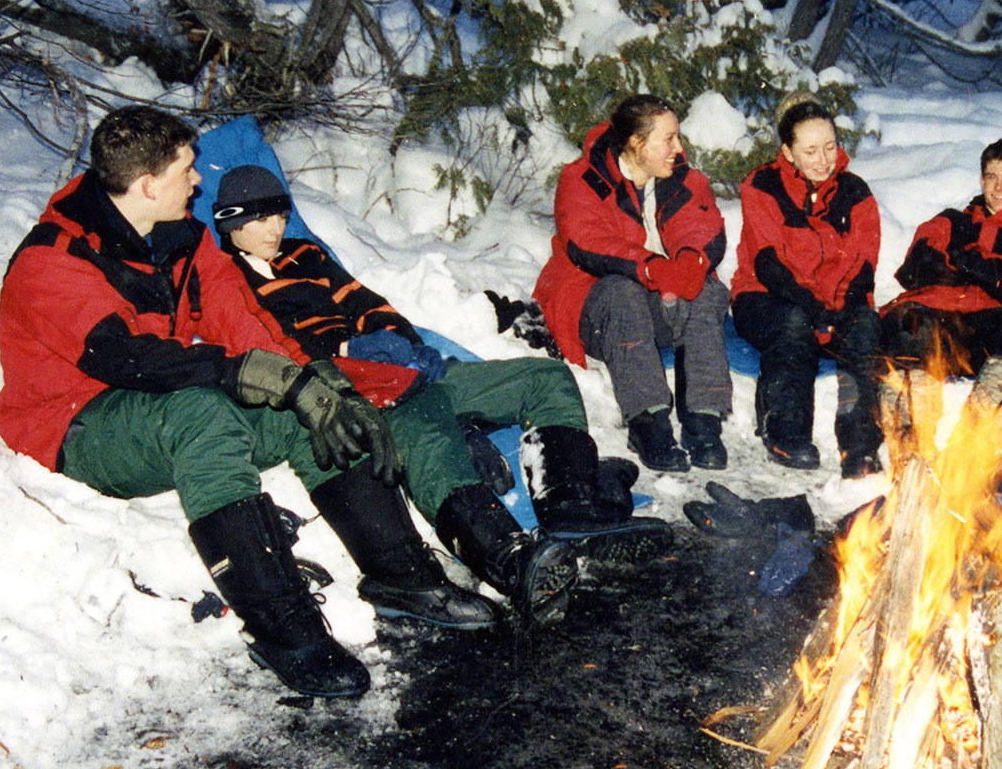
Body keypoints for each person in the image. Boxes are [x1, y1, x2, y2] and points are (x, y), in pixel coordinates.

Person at [0, 106, 491, 701]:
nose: (198, 180)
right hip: (76, 421)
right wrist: (254, 376)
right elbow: (131, 360)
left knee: (308, 408)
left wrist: (315, 382)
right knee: (201, 408)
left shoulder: (180, 233)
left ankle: (402, 577)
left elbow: (243, 319)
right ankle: (281, 627)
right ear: (148, 185)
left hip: (157, 401)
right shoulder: (53, 260)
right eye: (186, 170)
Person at [210, 166, 666, 625]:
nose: (276, 228)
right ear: (231, 223)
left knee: (544, 378)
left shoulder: (305, 255)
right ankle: (507, 559)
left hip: (399, 367)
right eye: (261, 219)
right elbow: (268, 348)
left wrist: (399, 342)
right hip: (351, 387)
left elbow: (366, 303)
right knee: (426, 432)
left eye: (280, 215)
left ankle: (571, 508)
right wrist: (348, 349)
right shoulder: (224, 279)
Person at [534, 94, 733, 473]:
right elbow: (587, 241)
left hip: (660, 307)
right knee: (622, 290)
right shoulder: (581, 178)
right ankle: (648, 423)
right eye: (669, 139)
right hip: (598, 312)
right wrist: (651, 267)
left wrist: (691, 260)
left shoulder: (685, 178)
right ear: (637, 144)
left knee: (707, 288)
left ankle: (703, 421)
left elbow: (701, 225)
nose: (679, 147)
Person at [732, 98, 884, 478]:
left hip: (838, 299)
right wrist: (812, 303)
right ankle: (785, 432)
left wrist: (840, 305)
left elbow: (864, 260)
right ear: (788, 151)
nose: (823, 160)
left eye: (830, 147)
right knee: (794, 324)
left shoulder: (855, 192)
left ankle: (859, 447)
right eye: (810, 151)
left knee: (864, 332)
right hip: (767, 294)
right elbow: (768, 261)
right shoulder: (762, 185)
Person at [879, 137, 1002, 380]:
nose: (999, 187)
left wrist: (966, 261)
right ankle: (909, 406)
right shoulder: (950, 221)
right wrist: (993, 273)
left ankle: (990, 409)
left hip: (990, 332)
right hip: (934, 321)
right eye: (991, 176)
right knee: (908, 325)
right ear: (981, 180)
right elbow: (913, 270)